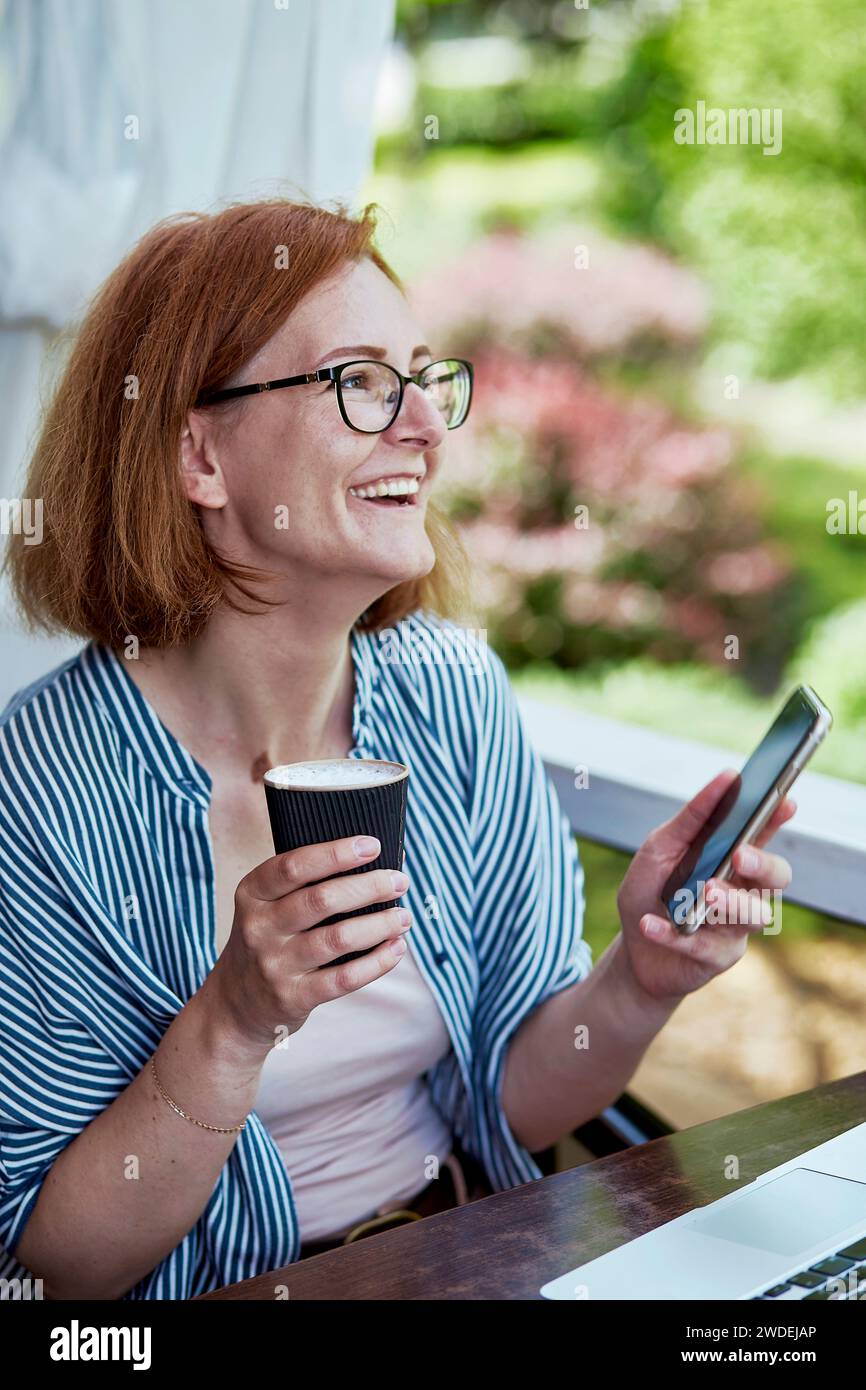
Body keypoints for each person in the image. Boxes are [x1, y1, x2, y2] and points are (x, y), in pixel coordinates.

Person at [0, 198, 793, 1300]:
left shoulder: (453, 695)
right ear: (199, 455)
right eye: (362, 381)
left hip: (466, 1264)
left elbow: (511, 1102)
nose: (424, 422)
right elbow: (56, 1268)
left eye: (424, 376)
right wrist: (231, 1022)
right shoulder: (36, 788)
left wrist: (637, 982)